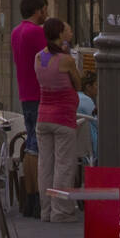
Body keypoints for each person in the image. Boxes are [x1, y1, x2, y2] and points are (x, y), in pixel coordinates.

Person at [34, 17, 81, 222]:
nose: (69, 32)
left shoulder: (41, 57)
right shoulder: (66, 60)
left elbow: (46, 73)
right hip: (63, 118)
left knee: (45, 164)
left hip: (43, 115)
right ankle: (60, 211)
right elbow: (77, 84)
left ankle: (46, 210)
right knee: (63, 164)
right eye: (67, 29)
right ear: (60, 33)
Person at [10, 0, 48, 217]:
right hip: (38, 92)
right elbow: (44, 60)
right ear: (38, 10)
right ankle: (33, 197)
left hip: (25, 92)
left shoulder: (16, 32)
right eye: (45, 9)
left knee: (32, 140)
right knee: (35, 145)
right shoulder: (36, 33)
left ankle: (29, 197)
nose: (46, 14)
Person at [76, 70, 98, 163]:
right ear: (88, 87)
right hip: (87, 146)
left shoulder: (76, 97)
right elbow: (98, 124)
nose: (98, 88)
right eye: (96, 85)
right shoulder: (87, 101)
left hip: (73, 143)